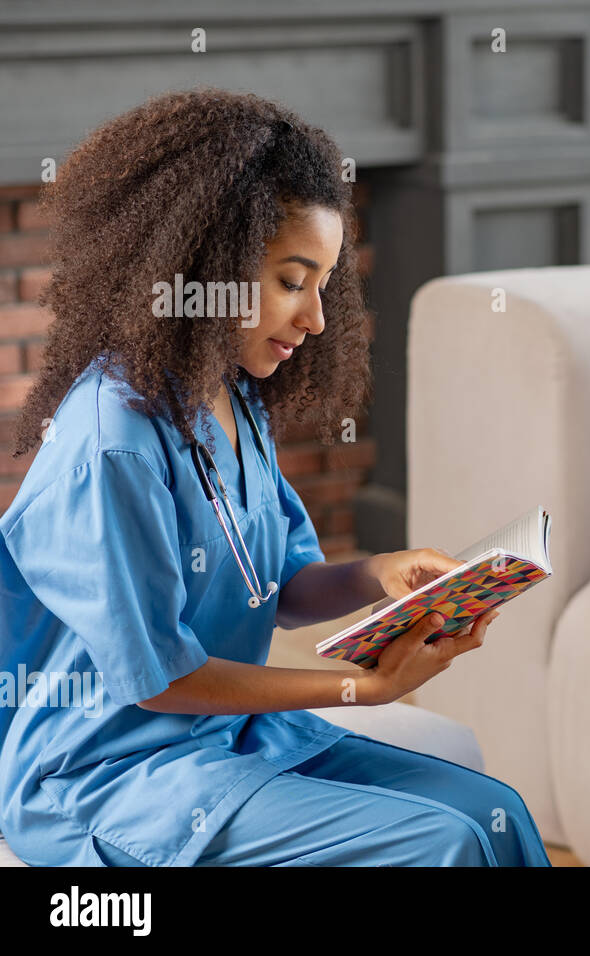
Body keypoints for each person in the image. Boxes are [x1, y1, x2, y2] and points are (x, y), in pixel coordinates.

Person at [0, 89, 551, 867]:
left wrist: (380, 574)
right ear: (205, 268)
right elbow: (161, 679)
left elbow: (283, 589)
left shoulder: (231, 396)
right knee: (446, 841)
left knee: (491, 812)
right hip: (109, 778)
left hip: (222, 743)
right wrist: (363, 689)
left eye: (325, 284)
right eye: (293, 281)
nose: (317, 319)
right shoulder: (111, 445)